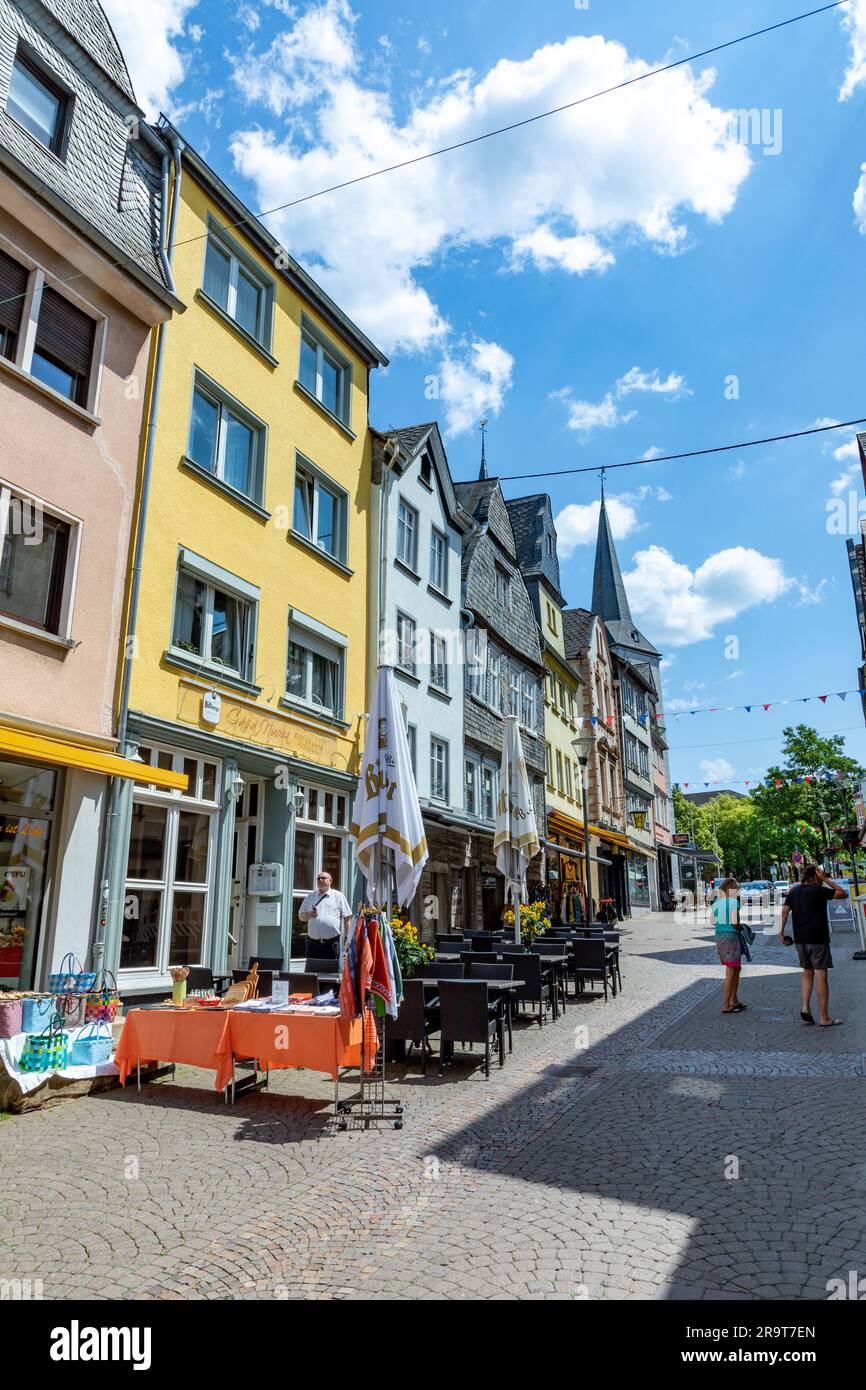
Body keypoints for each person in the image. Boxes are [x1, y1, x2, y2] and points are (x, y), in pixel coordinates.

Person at [779, 865, 846, 1026]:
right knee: (821, 976)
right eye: (820, 877)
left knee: (807, 973)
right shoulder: (819, 890)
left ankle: (805, 1007)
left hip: (800, 941)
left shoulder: (794, 891)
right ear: (816, 877)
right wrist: (826, 880)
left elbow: (784, 911)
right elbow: (843, 894)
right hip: (818, 940)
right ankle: (824, 1018)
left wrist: (780, 933)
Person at [712, 876, 748, 1014]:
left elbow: (712, 922)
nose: (738, 892)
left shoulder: (716, 903)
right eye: (737, 890)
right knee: (731, 970)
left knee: (736, 968)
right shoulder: (733, 903)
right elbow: (734, 922)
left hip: (719, 936)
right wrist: (740, 927)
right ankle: (726, 1005)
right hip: (731, 937)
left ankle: (734, 1000)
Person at [298, 872, 353, 961]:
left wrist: (347, 938)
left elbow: (347, 918)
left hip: (332, 944)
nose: (320, 880)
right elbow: (301, 917)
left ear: (330, 881)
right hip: (313, 944)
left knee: (331, 973)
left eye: (323, 878)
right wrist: (309, 915)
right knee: (312, 972)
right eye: (318, 878)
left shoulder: (338, 896)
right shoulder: (310, 897)